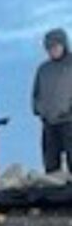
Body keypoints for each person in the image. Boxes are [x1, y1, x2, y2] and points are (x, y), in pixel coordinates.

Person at [32, 28, 72, 173]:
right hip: (49, 122)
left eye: (55, 46)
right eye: (48, 47)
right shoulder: (43, 69)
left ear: (64, 45)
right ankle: (52, 195)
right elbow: (36, 93)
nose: (52, 50)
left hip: (69, 121)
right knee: (50, 164)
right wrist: (39, 110)